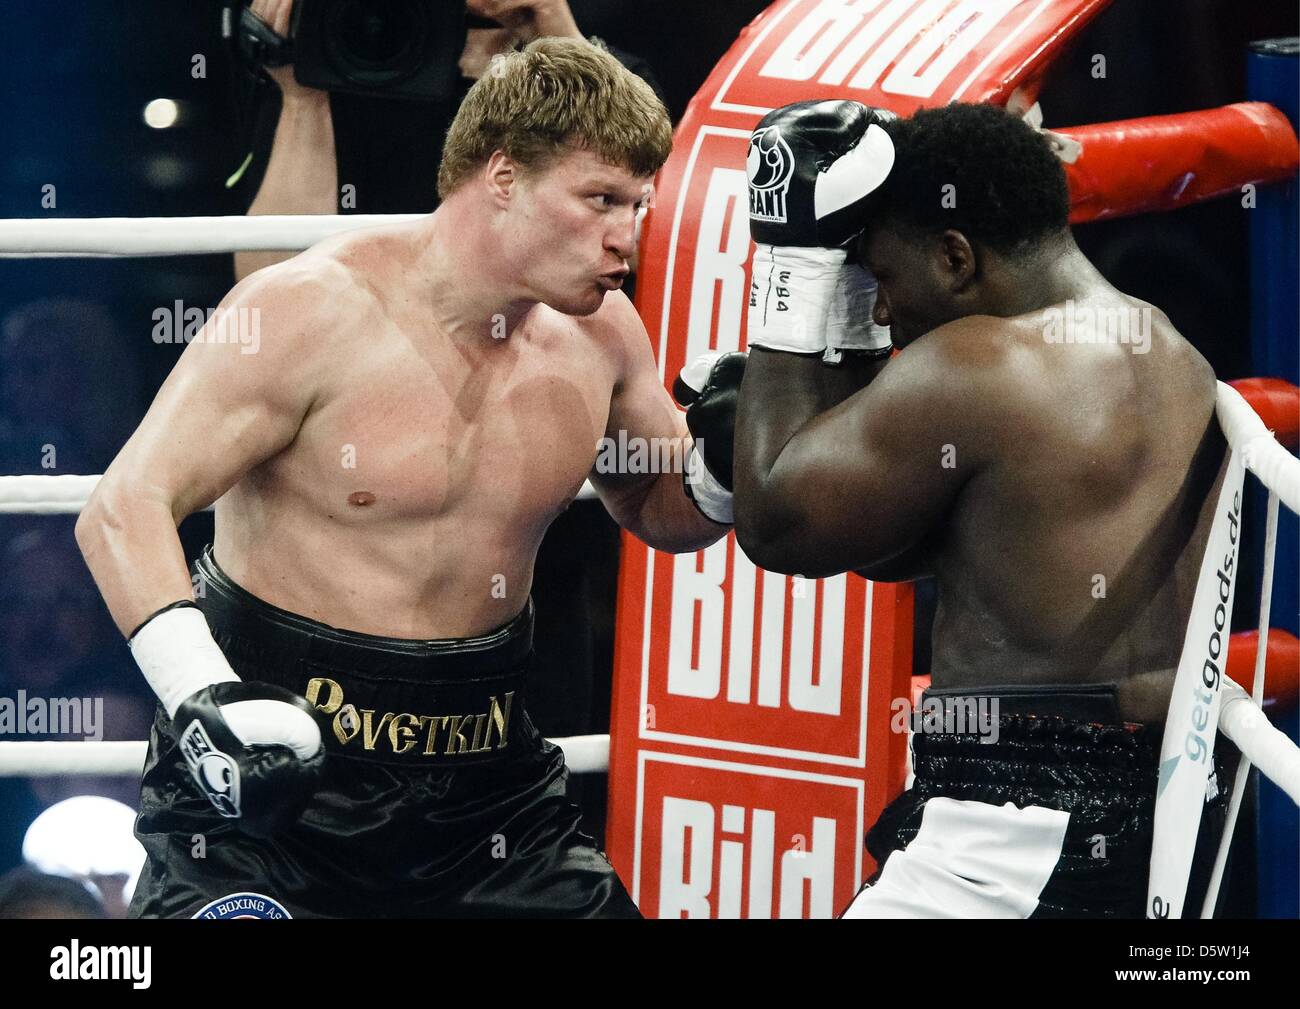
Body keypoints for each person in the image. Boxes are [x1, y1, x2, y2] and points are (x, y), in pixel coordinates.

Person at [76, 37, 730, 919]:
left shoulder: (604, 335)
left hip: (487, 793)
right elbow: (124, 507)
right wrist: (203, 699)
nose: (628, 235)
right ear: (502, 178)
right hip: (273, 785)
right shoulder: (307, 312)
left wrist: (724, 460)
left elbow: (660, 505)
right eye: (601, 199)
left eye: (639, 205)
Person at [687, 99, 1231, 918]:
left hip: (1018, 828)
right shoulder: (1166, 349)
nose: (879, 310)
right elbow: (906, 541)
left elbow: (778, 527)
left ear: (953, 257)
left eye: (883, 278)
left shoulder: (981, 364)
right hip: (1154, 809)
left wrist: (796, 280)